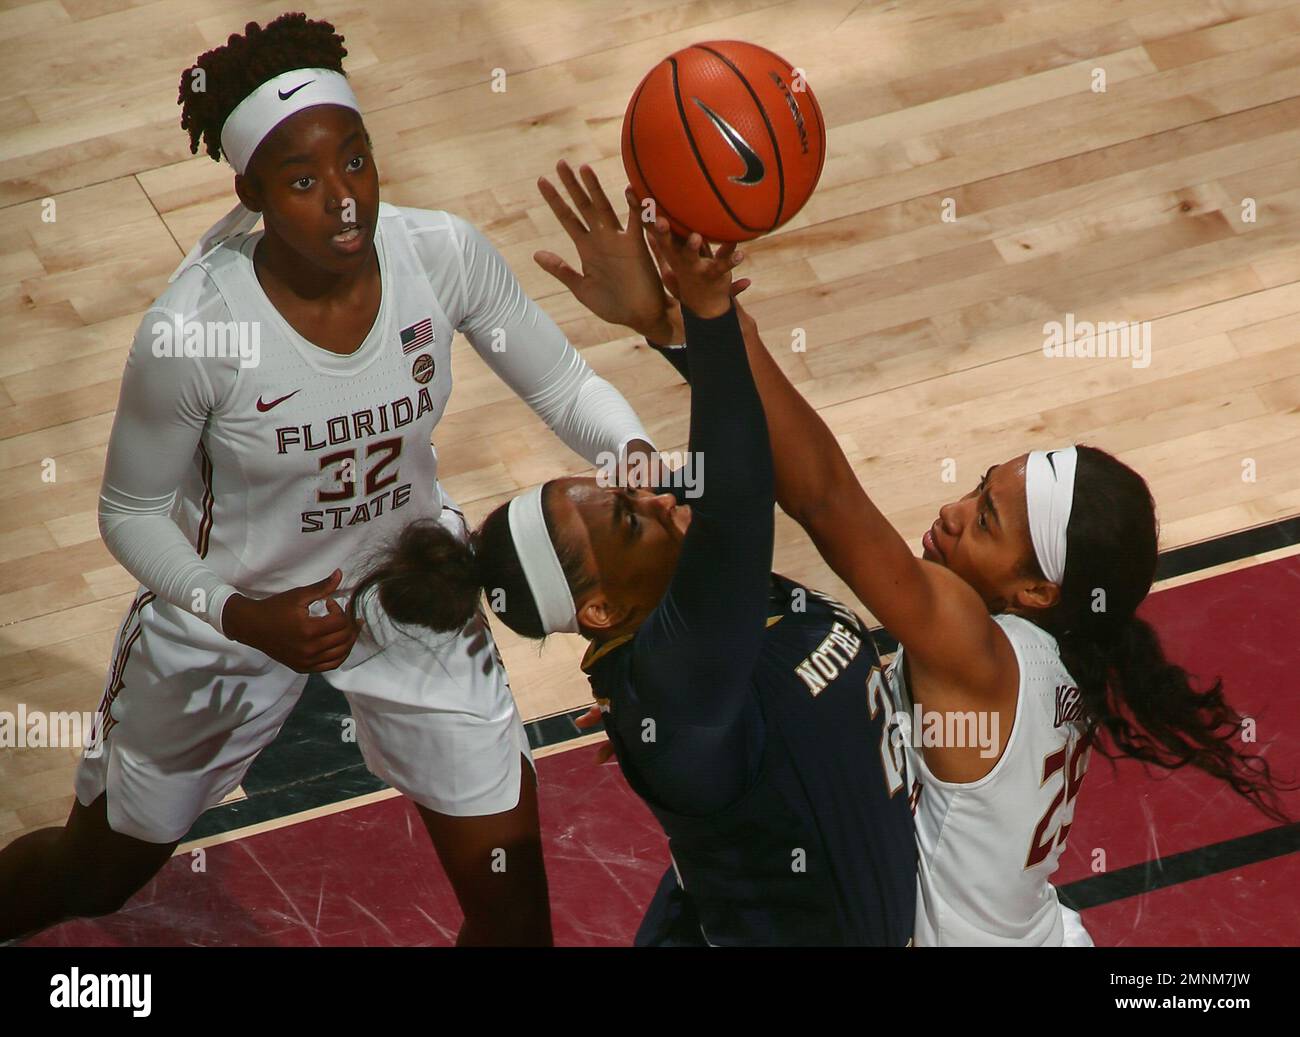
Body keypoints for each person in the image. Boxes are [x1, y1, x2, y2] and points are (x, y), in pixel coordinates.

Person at [0, 14, 659, 946]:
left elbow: (561, 381)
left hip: (412, 590)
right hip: (231, 614)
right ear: (252, 192)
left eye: (358, 161)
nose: (345, 200)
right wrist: (245, 615)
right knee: (96, 874)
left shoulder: (442, 255)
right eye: (305, 182)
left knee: (512, 909)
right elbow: (131, 513)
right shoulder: (194, 331)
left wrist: (641, 461)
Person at [537, 165, 1293, 946]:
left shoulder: (976, 646)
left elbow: (824, 497)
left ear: (1036, 589)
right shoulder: (1061, 653)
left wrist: (696, 317)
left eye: (988, 521)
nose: (953, 512)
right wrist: (690, 320)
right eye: (977, 489)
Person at [349, 199, 918, 946]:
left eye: (621, 488)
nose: (653, 493)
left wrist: (666, 323)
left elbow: (775, 466)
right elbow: (739, 498)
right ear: (601, 609)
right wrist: (706, 313)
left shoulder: (671, 613)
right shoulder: (673, 689)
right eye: (625, 516)